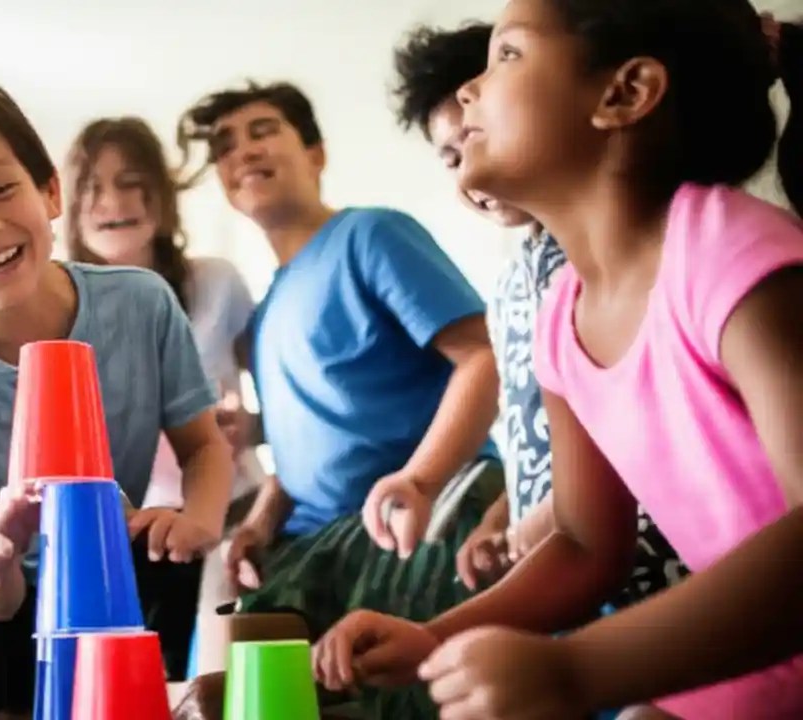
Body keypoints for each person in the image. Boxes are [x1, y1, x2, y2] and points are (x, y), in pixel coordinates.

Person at [314, 1, 803, 717]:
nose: (470, 90)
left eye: (507, 55)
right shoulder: (560, 317)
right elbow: (581, 542)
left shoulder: (734, 257)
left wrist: (572, 671)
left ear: (625, 94)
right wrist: (433, 638)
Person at [0, 74, 233, 719]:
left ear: (50, 191)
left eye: (2, 188)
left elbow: (203, 445)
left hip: (119, 568)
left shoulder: (142, 302)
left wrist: (198, 518)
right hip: (8, 603)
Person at [175, 80, 502, 716]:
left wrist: (421, 480)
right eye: (225, 146)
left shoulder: (370, 236)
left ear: (316, 153)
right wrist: (256, 524)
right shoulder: (265, 317)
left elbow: (483, 356)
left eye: (263, 130)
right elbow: (299, 457)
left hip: (418, 524)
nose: (242, 151)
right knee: (231, 700)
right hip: (313, 545)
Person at [390, 21, 686, 600]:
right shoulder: (513, 283)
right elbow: (546, 439)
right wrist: (503, 516)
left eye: (475, 136)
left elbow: (641, 432)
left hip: (668, 576)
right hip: (579, 571)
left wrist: (547, 523)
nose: (467, 168)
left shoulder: (617, 255)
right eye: (450, 158)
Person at [63, 116, 265, 516]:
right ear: (68, 204)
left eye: (130, 181)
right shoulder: (57, 317)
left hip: (237, 510)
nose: (114, 201)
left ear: (161, 194)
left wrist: (251, 426)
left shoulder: (217, 282)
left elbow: (285, 399)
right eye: (92, 187)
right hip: (129, 527)